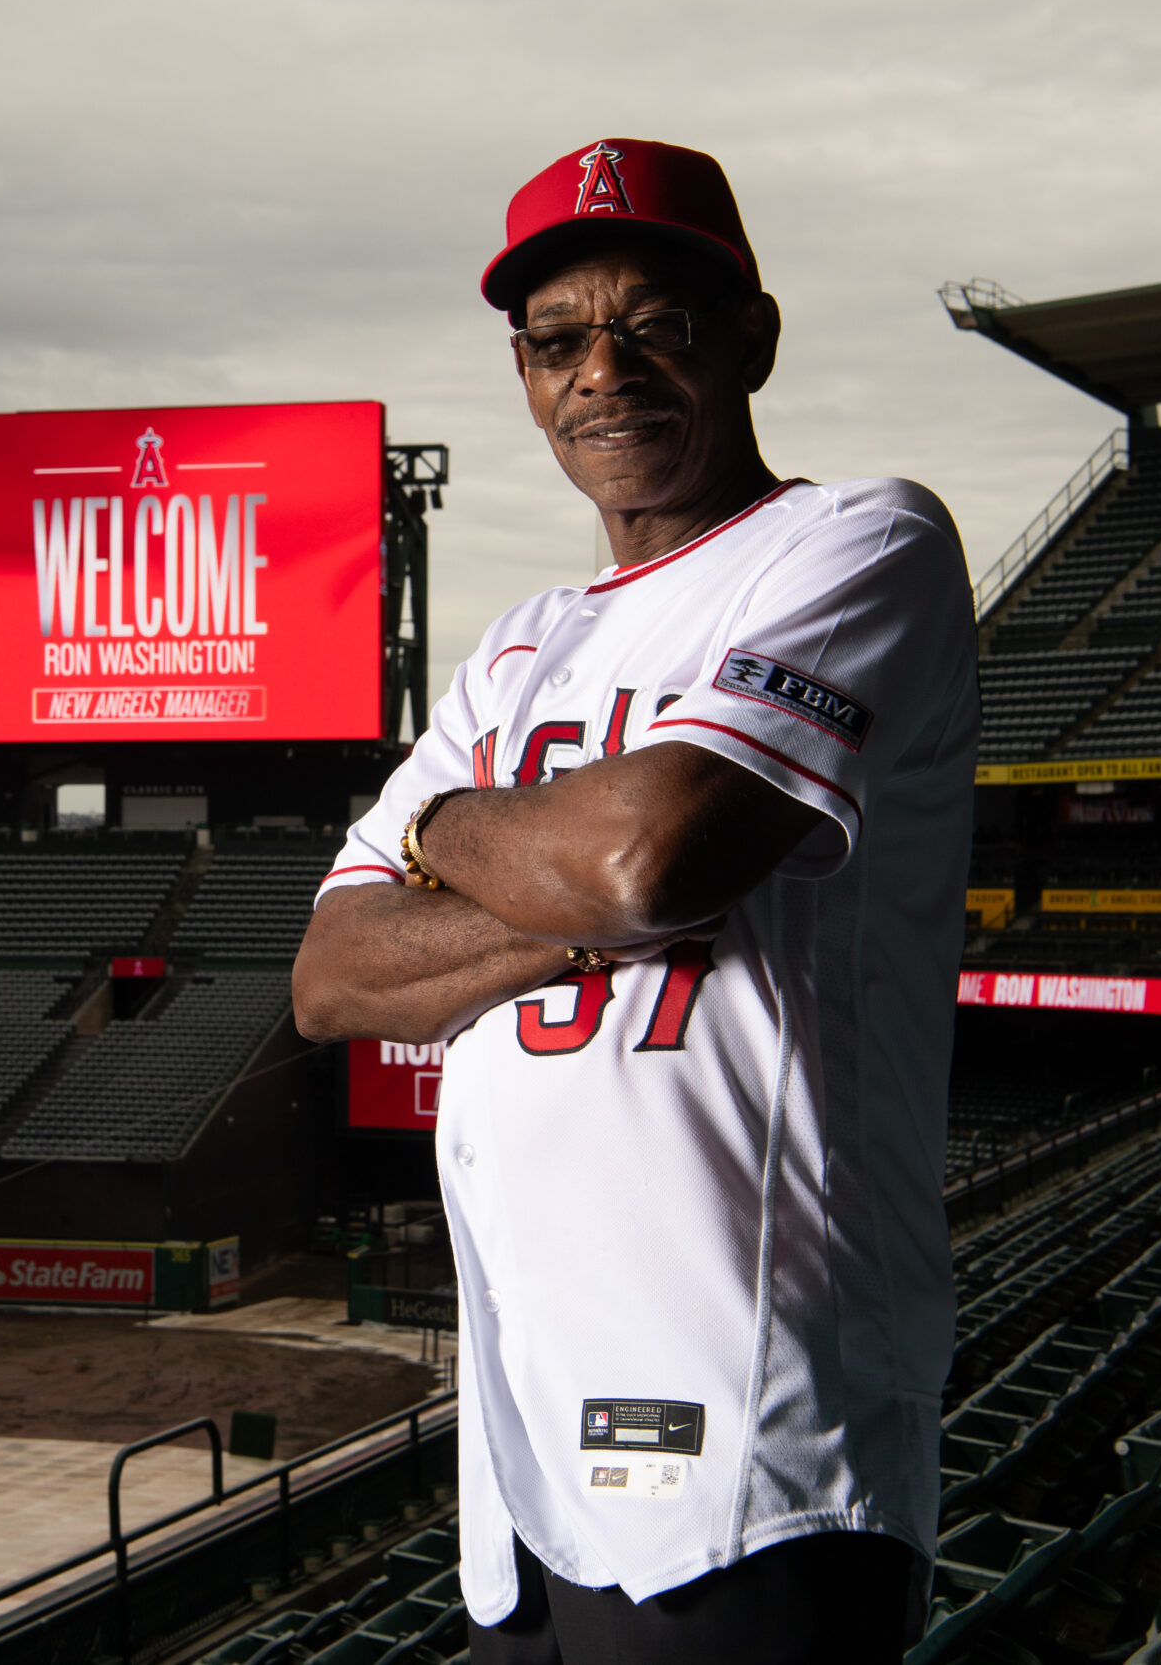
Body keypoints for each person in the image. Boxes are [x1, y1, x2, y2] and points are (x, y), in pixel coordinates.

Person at [292, 138, 977, 1663]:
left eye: (654, 323)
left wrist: (445, 828)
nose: (602, 372)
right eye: (557, 340)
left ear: (753, 338)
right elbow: (333, 972)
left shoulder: (861, 540)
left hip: (758, 1429)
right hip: (523, 1457)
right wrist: (570, 883)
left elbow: (642, 860)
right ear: (524, 374)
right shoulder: (515, 646)